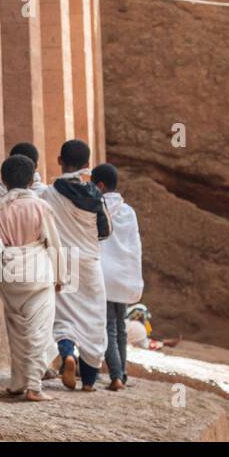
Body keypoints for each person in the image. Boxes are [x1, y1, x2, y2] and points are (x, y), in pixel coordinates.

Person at [0, 154, 62, 401]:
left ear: (3, 181)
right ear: (30, 181)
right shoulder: (41, 207)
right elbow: (54, 244)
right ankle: (34, 387)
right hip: (38, 274)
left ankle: (17, 383)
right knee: (39, 331)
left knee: (16, 330)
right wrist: (60, 275)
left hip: (9, 277)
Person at [40, 139, 111, 390]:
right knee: (94, 319)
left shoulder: (47, 194)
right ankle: (89, 382)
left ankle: (68, 354)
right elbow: (106, 230)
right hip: (89, 263)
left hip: (61, 261)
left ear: (60, 161)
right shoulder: (95, 195)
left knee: (63, 317)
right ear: (88, 164)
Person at [93, 162, 141, 390]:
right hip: (123, 275)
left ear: (100, 185)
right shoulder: (129, 211)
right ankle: (122, 372)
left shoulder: (97, 208)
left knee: (108, 326)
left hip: (103, 274)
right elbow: (134, 246)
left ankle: (115, 376)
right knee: (120, 326)